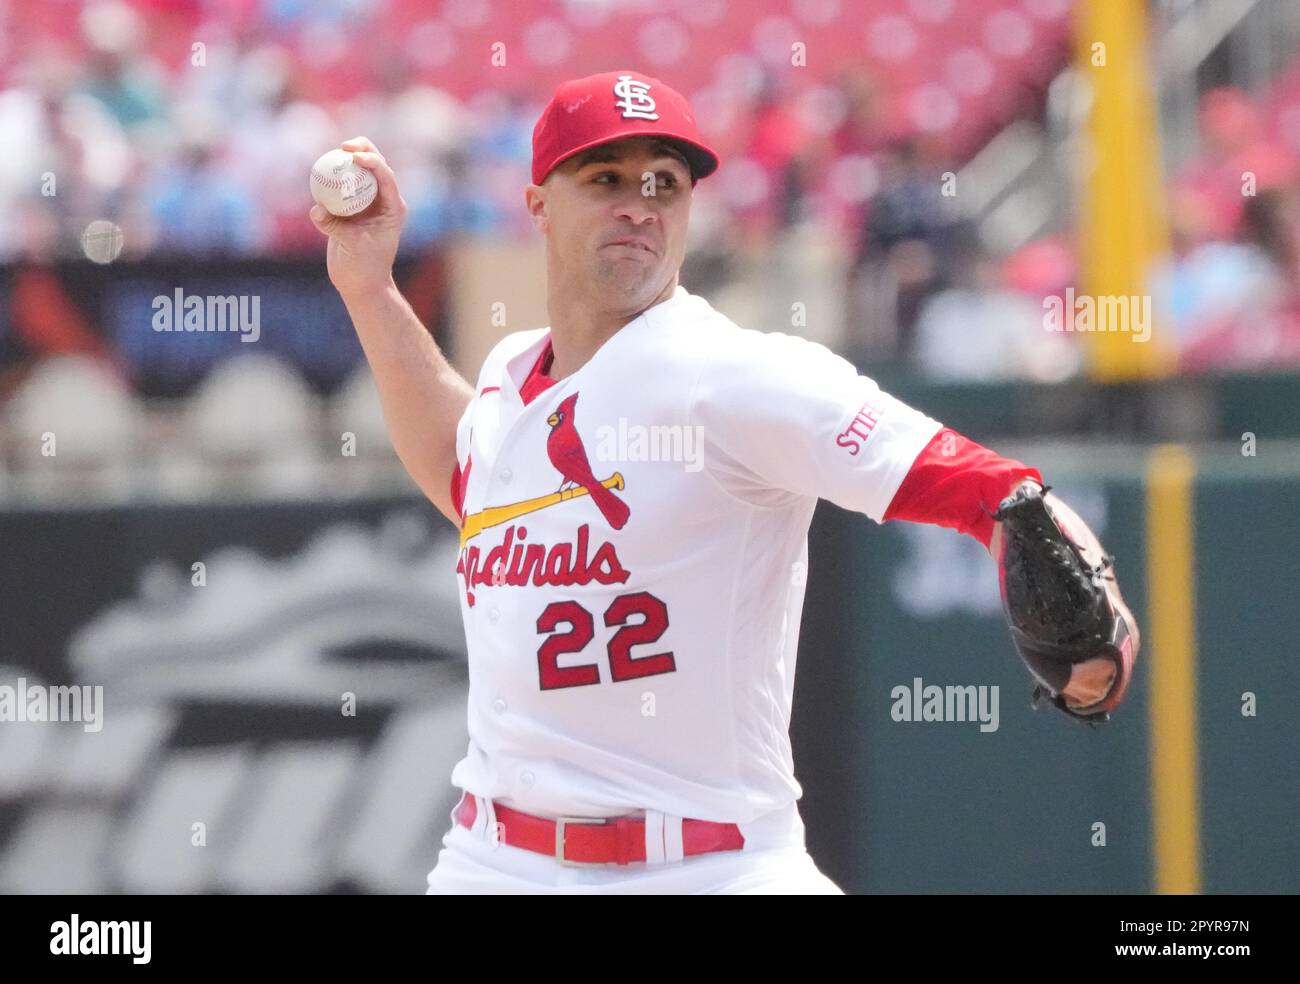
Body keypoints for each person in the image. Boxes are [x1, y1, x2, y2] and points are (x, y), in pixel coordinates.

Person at [310, 70, 1136, 895]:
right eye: (606, 179)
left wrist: (1095, 610)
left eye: (665, 183)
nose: (640, 203)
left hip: (709, 865)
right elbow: (468, 478)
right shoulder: (510, 372)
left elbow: (997, 492)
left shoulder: (732, 375)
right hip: (492, 862)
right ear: (538, 205)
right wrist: (369, 286)